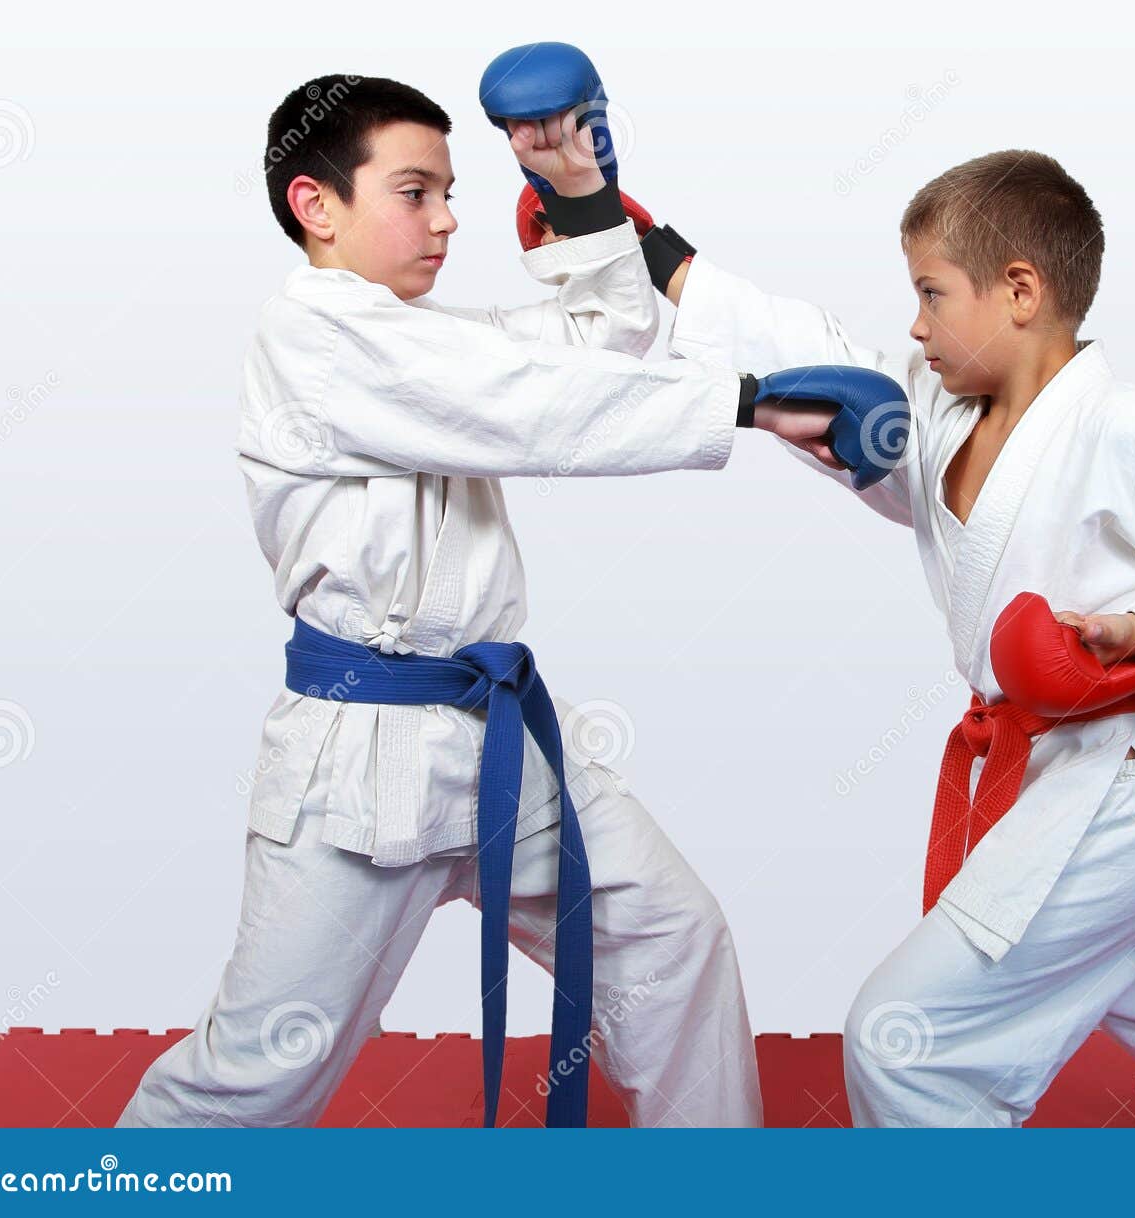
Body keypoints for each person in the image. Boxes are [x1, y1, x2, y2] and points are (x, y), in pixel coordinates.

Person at [116, 69, 899, 1129]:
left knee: (670, 939)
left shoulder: (423, 333)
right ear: (316, 205)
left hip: (501, 740)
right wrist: (756, 403)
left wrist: (577, 196)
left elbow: (593, 354)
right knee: (259, 1071)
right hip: (359, 762)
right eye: (414, 192)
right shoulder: (308, 337)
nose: (445, 220)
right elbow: (530, 405)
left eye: (450, 192)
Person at [651, 148, 1135, 1129]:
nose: (915, 322)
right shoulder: (939, 413)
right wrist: (654, 253)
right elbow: (825, 360)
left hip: (1119, 786)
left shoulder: (1123, 429)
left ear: (1018, 290)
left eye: (932, 294)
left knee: (907, 1042)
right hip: (1047, 783)